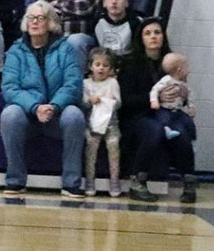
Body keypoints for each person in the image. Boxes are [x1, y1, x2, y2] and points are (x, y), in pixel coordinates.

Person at [0, 0, 86, 198]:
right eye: (31, 17)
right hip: (28, 116)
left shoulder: (66, 49)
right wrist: (35, 107)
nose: (34, 22)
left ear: (51, 23)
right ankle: (15, 180)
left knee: (74, 115)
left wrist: (54, 106)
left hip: (58, 114)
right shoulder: (15, 51)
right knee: (9, 114)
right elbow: (10, 88)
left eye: (40, 18)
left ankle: (71, 183)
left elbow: (73, 85)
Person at [119, 16, 197, 203]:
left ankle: (189, 181)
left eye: (157, 32)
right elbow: (125, 100)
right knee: (154, 130)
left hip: (169, 113)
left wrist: (183, 97)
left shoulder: (173, 63)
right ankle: (138, 181)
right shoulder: (130, 63)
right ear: (141, 38)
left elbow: (183, 94)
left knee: (181, 132)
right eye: (147, 33)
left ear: (163, 37)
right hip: (137, 115)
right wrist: (153, 99)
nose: (153, 36)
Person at [82, 47, 122, 196]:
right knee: (91, 149)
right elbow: (83, 103)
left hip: (111, 124)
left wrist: (110, 101)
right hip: (92, 124)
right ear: (91, 66)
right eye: (97, 64)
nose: (101, 68)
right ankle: (89, 181)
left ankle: (114, 180)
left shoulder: (113, 83)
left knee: (113, 146)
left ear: (111, 69)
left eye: (105, 66)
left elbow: (118, 103)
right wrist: (90, 100)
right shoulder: (86, 84)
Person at [149, 52, 197, 141]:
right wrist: (154, 100)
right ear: (179, 70)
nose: (189, 71)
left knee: (188, 121)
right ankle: (167, 131)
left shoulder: (183, 83)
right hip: (165, 109)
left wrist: (191, 107)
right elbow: (155, 90)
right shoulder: (167, 80)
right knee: (164, 120)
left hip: (178, 110)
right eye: (187, 67)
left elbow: (189, 95)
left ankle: (192, 138)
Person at [91, 0, 139, 69]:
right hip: (102, 66)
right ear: (104, 3)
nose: (114, 2)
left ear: (127, 3)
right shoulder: (97, 21)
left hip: (127, 66)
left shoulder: (135, 23)